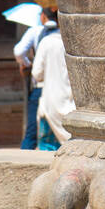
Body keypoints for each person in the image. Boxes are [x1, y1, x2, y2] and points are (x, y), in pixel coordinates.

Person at [30, 9, 74, 150]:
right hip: (71, 106)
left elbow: (37, 74)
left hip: (49, 105)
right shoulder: (74, 44)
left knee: (47, 151)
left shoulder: (46, 42)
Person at [13, 17, 49, 150]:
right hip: (63, 87)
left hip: (40, 85)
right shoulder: (65, 32)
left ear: (43, 16)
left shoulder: (36, 31)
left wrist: (28, 64)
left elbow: (19, 52)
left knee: (32, 130)